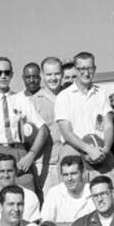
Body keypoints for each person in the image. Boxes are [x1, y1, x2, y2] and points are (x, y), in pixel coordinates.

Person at [0, 56, 48, 190]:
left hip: (19, 155)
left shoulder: (21, 99)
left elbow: (43, 129)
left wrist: (31, 154)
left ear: (12, 74)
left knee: (26, 198)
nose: (3, 76)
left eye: (7, 72)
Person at [55, 51, 114, 181]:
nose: (86, 72)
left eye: (90, 68)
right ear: (76, 70)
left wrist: (105, 150)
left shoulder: (101, 93)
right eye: (82, 69)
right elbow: (67, 132)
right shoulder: (64, 96)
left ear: (94, 69)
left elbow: (108, 125)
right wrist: (88, 150)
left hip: (100, 151)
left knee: (109, 188)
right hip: (74, 150)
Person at [39, 155, 97, 226]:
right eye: (65, 175)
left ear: (83, 172)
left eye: (74, 174)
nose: (69, 179)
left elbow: (98, 224)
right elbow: (46, 225)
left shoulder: (93, 191)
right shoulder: (54, 192)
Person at [33, 56, 67, 193]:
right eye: (49, 74)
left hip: (70, 164)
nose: (53, 78)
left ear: (62, 74)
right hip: (47, 165)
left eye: (57, 74)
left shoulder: (69, 96)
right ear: (42, 75)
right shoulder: (33, 102)